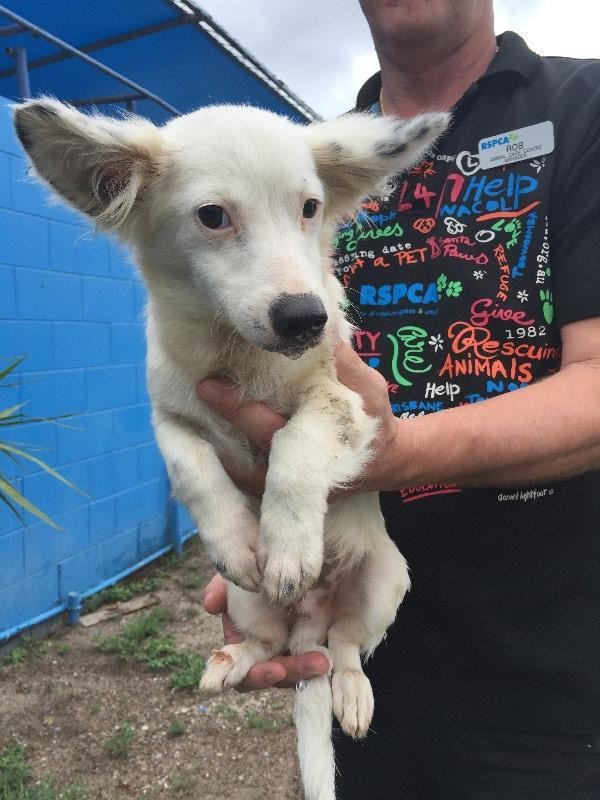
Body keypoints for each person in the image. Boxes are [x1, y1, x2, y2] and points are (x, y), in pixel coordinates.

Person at [199, 2, 600, 797]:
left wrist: (395, 456)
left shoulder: (580, 108)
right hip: (363, 661)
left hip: (553, 687)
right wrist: (250, 544)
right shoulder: (305, 162)